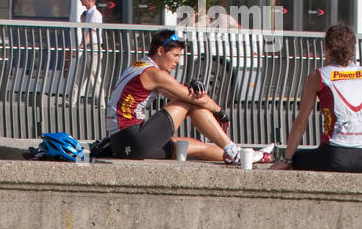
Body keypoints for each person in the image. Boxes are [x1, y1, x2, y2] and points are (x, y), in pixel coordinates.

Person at [95, 30, 273, 164]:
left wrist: (191, 92)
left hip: (122, 144)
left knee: (195, 146)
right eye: (175, 55)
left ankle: (245, 157)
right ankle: (234, 151)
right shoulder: (154, 74)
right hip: (133, 137)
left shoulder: (138, 65)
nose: (177, 61)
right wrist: (219, 112)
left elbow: (175, 94)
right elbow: (191, 99)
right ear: (160, 51)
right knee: (189, 103)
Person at [275, 23, 362, 172]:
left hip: (335, 156)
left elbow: (301, 122)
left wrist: (287, 159)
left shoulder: (319, 76)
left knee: (297, 158)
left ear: (327, 49)